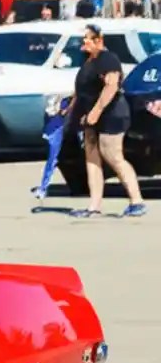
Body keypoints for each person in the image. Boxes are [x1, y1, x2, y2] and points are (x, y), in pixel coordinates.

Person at [67, 24, 146, 218]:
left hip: (112, 114)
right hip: (90, 116)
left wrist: (96, 112)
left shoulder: (108, 59)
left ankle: (137, 201)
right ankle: (94, 206)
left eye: (86, 38)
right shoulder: (88, 61)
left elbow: (111, 87)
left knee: (112, 155)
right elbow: (81, 90)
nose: (83, 42)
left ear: (98, 40)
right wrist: (68, 110)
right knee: (91, 157)